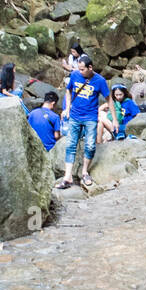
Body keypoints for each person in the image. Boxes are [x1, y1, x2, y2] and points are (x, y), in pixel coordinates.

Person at [57, 54, 111, 189]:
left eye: (82, 69)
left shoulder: (100, 80)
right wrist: (67, 108)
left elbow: (109, 99)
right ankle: (67, 177)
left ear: (90, 67)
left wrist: (114, 119)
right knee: (70, 145)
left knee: (90, 146)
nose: (79, 71)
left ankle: (84, 172)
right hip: (75, 116)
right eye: (79, 69)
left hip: (91, 118)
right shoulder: (75, 75)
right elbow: (68, 91)